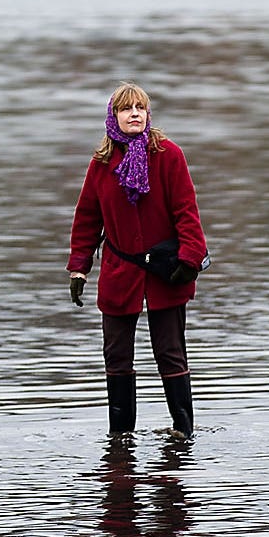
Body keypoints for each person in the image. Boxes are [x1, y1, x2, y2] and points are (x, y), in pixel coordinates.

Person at [68, 83, 208, 436]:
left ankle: (183, 431)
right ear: (113, 116)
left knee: (170, 352)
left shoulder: (168, 155)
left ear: (148, 113)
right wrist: (79, 268)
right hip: (120, 271)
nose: (135, 114)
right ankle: (120, 436)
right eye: (126, 108)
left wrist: (190, 259)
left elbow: (187, 211)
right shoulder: (101, 164)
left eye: (140, 108)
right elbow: (87, 218)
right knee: (116, 355)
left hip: (166, 270)